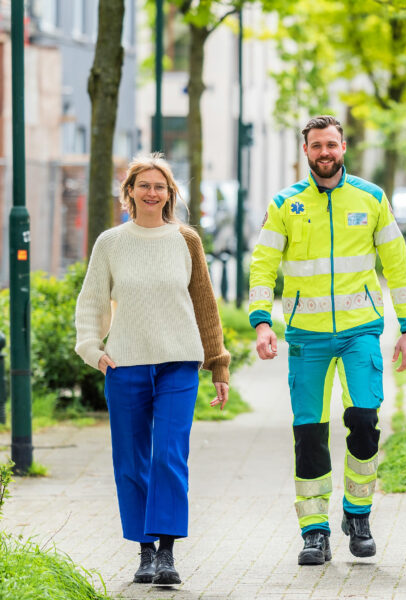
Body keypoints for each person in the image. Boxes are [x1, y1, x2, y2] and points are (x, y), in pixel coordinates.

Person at [247, 115, 406, 565]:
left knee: (364, 420)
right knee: (309, 432)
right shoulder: (285, 204)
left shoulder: (372, 198)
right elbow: (264, 264)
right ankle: (314, 529)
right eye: (316, 146)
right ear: (305, 152)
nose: (325, 152)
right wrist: (262, 321)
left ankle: (358, 515)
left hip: (360, 330)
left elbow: (397, 265)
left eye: (332, 144)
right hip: (306, 335)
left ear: (343, 147)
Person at [74, 153, 231, 586]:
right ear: (129, 193)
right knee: (131, 460)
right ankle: (143, 552)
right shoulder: (111, 242)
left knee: (168, 454)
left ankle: (166, 553)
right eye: (143, 185)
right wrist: (92, 349)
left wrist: (218, 365)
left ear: (169, 194)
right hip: (125, 365)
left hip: (179, 363)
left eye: (159, 186)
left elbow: (205, 305)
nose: (151, 192)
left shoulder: (186, 240)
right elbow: (91, 301)